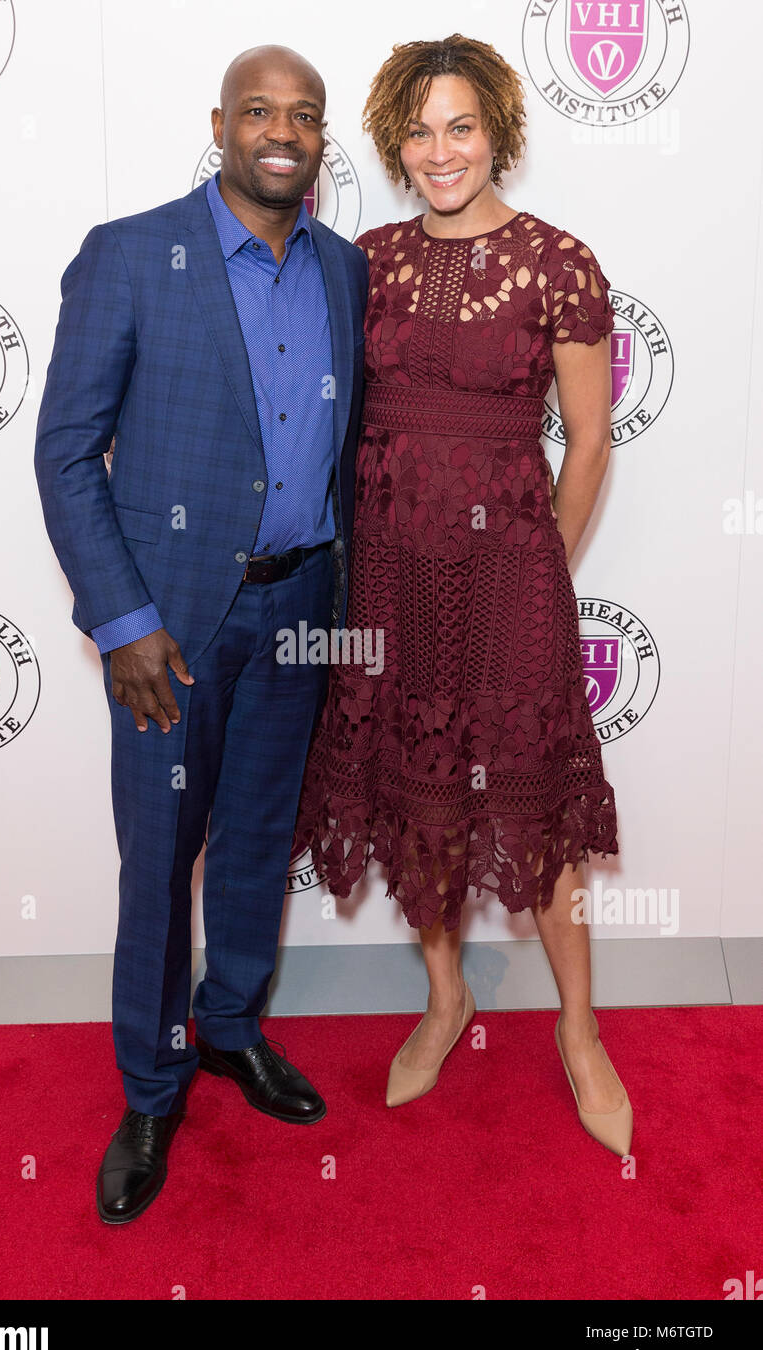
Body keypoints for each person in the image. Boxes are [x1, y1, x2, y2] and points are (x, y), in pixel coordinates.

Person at [34, 45, 368, 1223]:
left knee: (257, 837)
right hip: (168, 627)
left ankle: (230, 1027)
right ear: (220, 123)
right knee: (158, 855)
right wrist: (125, 621)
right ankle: (150, 1084)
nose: (283, 131)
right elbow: (66, 454)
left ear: (322, 140)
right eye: (260, 111)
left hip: (299, 606)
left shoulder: (343, 269)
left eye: (305, 116)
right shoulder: (131, 254)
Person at [293, 34, 632, 1157]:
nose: (440, 150)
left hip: (507, 583)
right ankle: (446, 1001)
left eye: (461, 127)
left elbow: (585, 445)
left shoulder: (557, 263)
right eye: (419, 129)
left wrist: (543, 568)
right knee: (414, 795)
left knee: (535, 812)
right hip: (385, 580)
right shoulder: (364, 261)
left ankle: (578, 1030)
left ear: (497, 132)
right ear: (394, 139)